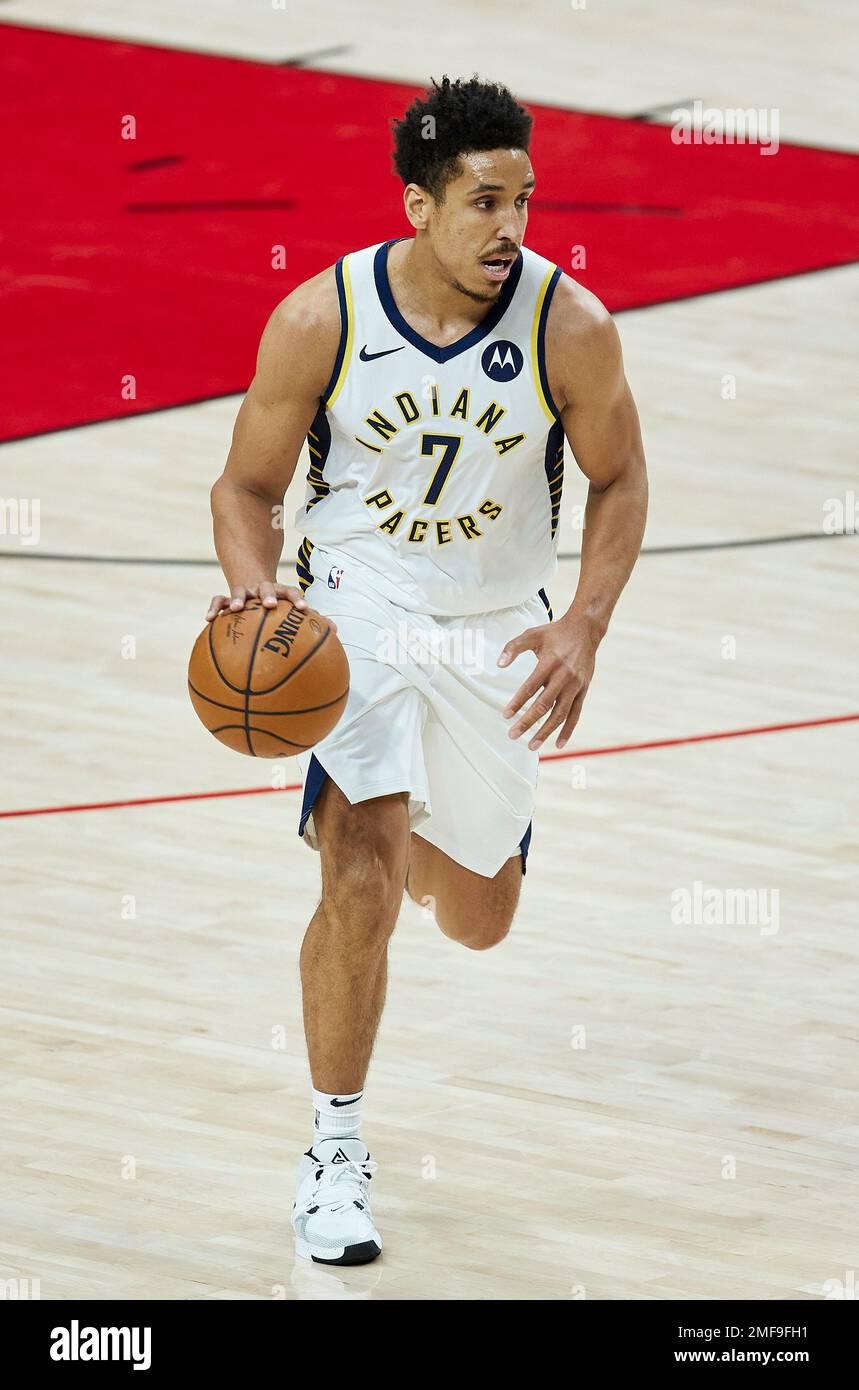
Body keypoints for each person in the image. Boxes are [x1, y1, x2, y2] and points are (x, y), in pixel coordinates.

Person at [207, 75, 648, 1265]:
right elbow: (244, 490)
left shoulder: (570, 326)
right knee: (357, 867)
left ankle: (424, 842)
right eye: (485, 203)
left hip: (497, 622)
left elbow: (621, 478)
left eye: (526, 200)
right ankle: (334, 1154)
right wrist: (259, 587)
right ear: (418, 203)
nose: (512, 229)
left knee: (479, 918)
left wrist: (583, 627)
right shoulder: (321, 318)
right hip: (359, 604)